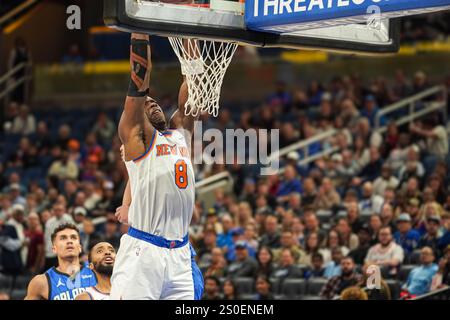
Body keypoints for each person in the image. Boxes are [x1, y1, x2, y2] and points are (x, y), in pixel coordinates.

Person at [110, 33, 203, 300]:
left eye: (156, 102)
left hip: (180, 252)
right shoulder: (136, 138)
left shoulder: (180, 131)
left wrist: (190, 31)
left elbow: (193, 84)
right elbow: (139, 82)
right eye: (147, 104)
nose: (153, 103)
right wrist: (140, 31)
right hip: (144, 252)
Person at [25, 224, 97, 300]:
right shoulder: (41, 282)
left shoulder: (96, 271)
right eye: (63, 238)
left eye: (73, 237)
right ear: (54, 249)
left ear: (80, 247)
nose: (69, 241)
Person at [43, 203, 74, 271]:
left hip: (64, 252)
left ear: (64, 210)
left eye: (60, 210)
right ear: (53, 211)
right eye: (56, 210)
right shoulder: (49, 222)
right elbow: (46, 238)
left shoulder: (68, 219)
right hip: (51, 251)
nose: (58, 212)